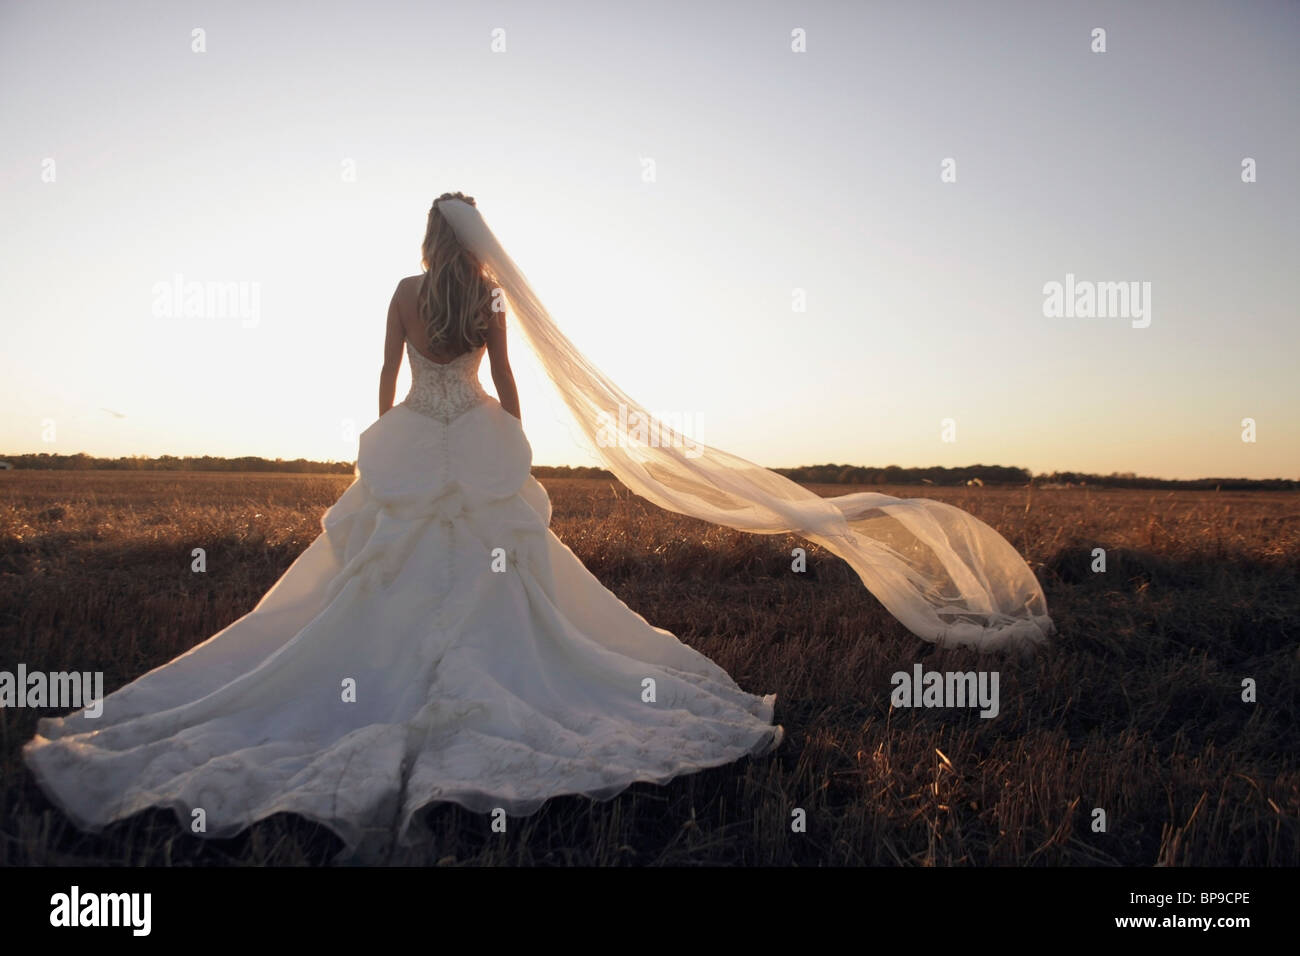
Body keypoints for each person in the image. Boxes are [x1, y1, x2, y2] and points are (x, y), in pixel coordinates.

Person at [23, 191, 1052, 862]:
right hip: (468, 440)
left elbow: (382, 383)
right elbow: (511, 398)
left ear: (424, 243)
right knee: (505, 583)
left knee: (360, 591)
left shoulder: (400, 292)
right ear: (475, 246)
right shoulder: (491, 303)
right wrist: (492, 453)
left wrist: (390, 446)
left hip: (413, 445)